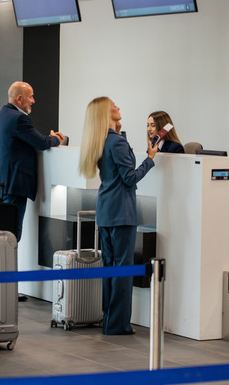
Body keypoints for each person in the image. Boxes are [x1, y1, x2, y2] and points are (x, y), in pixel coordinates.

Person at [79, 96, 157, 335]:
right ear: (105, 113)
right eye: (114, 106)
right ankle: (118, 324)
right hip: (122, 212)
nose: (119, 107)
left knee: (110, 268)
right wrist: (150, 160)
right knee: (123, 270)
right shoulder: (116, 143)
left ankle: (109, 320)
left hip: (105, 211)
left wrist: (121, 134)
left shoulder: (102, 140)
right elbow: (130, 178)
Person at [0, 81, 64, 242]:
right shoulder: (19, 119)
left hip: (0, 182)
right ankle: (8, 267)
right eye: (30, 97)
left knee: (1, 234)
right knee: (11, 236)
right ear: (20, 98)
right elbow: (41, 143)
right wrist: (55, 139)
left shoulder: (3, 114)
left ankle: (3, 266)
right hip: (13, 184)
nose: (33, 101)